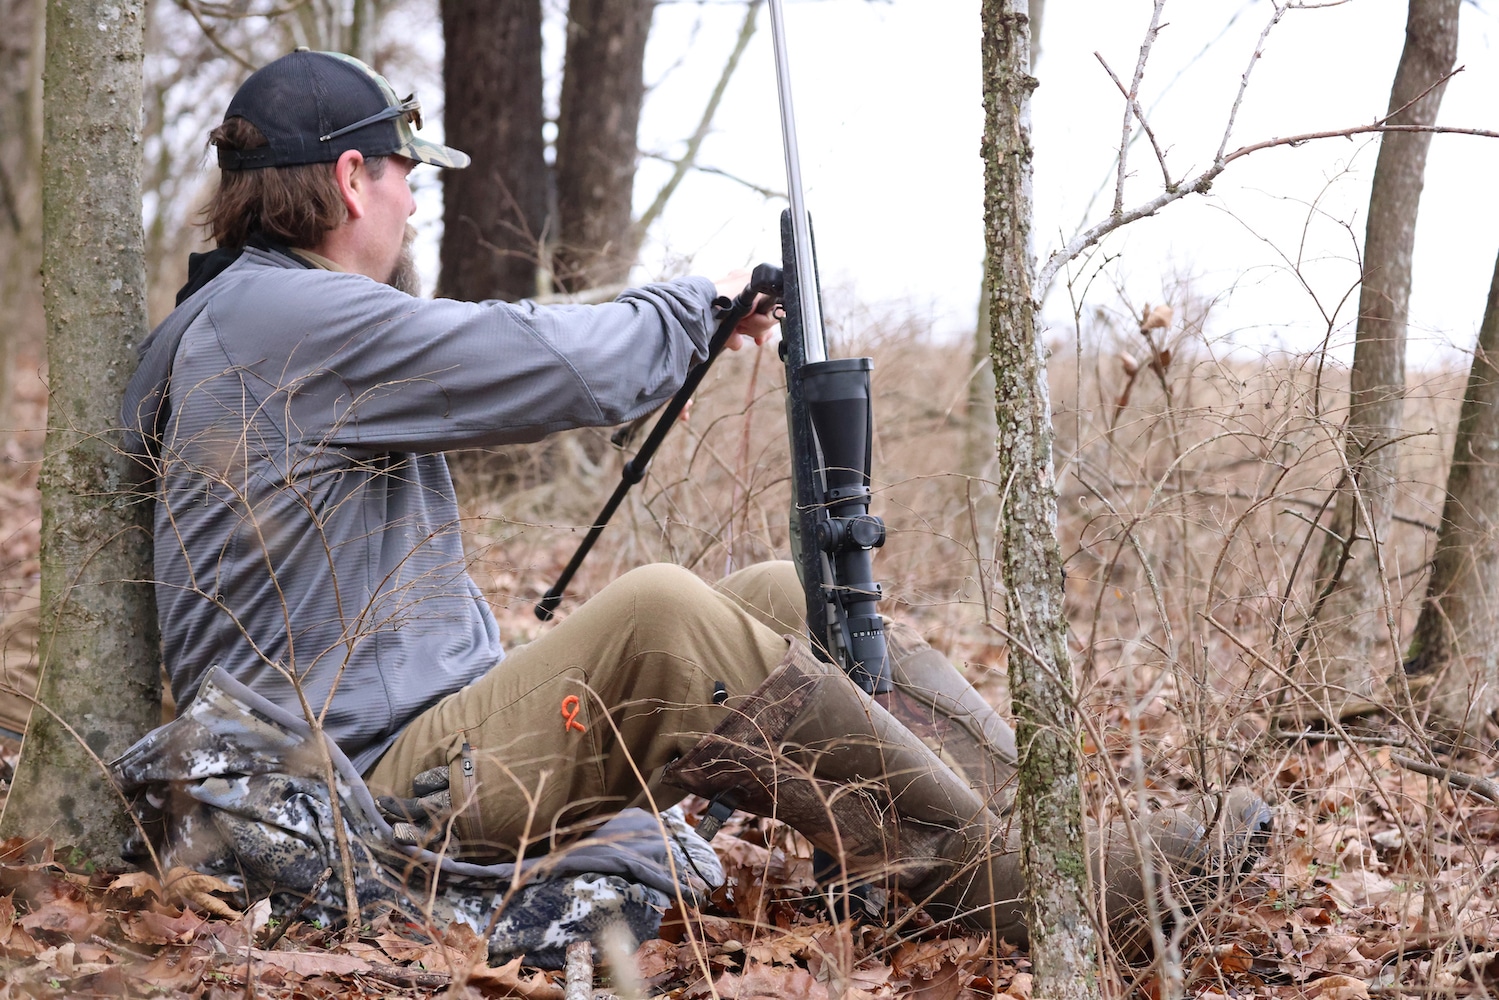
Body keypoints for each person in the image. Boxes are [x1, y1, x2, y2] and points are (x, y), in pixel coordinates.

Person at [122, 49, 1268, 953]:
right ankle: (1025, 894)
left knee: (777, 591)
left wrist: (685, 322)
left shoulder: (249, 321)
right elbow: (547, 362)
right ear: (349, 178)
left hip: (396, 744)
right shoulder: (286, 321)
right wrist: (687, 309)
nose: (414, 202)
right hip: (360, 791)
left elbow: (515, 345)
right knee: (666, 617)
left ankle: (1056, 839)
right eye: (406, 175)